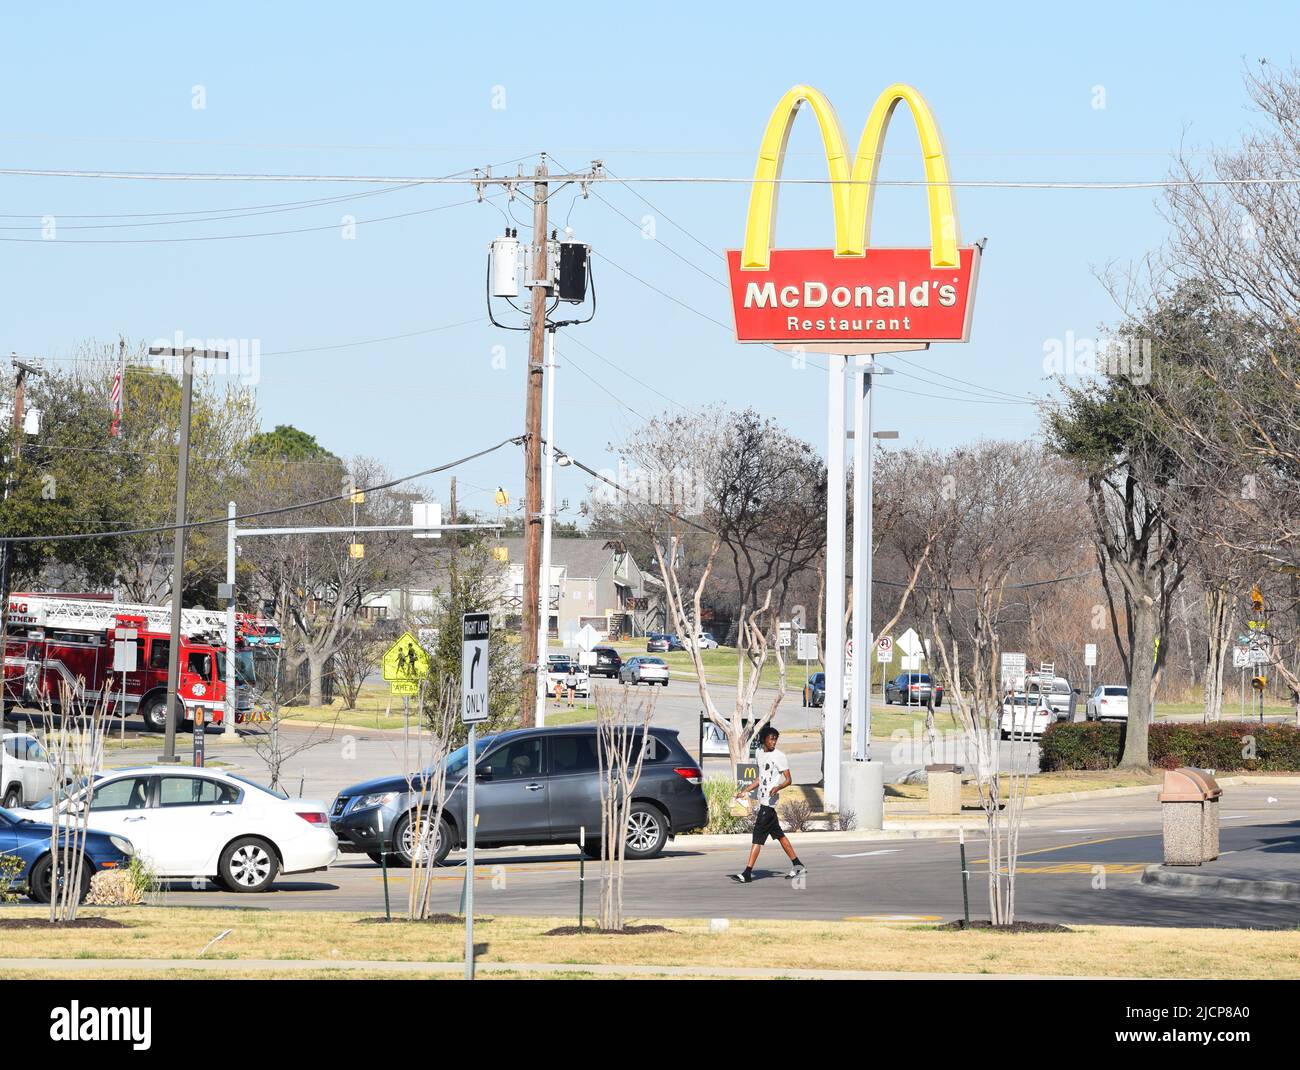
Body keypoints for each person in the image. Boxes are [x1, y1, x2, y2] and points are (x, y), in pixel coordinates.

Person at [729, 725, 806, 883]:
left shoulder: (780, 756)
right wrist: (746, 790)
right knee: (780, 836)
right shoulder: (759, 753)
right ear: (764, 739)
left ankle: (747, 872)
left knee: (757, 838)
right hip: (763, 802)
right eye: (771, 739)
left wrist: (778, 787)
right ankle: (798, 865)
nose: (774, 742)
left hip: (768, 804)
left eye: (776, 739)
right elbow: (760, 778)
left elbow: (789, 779)